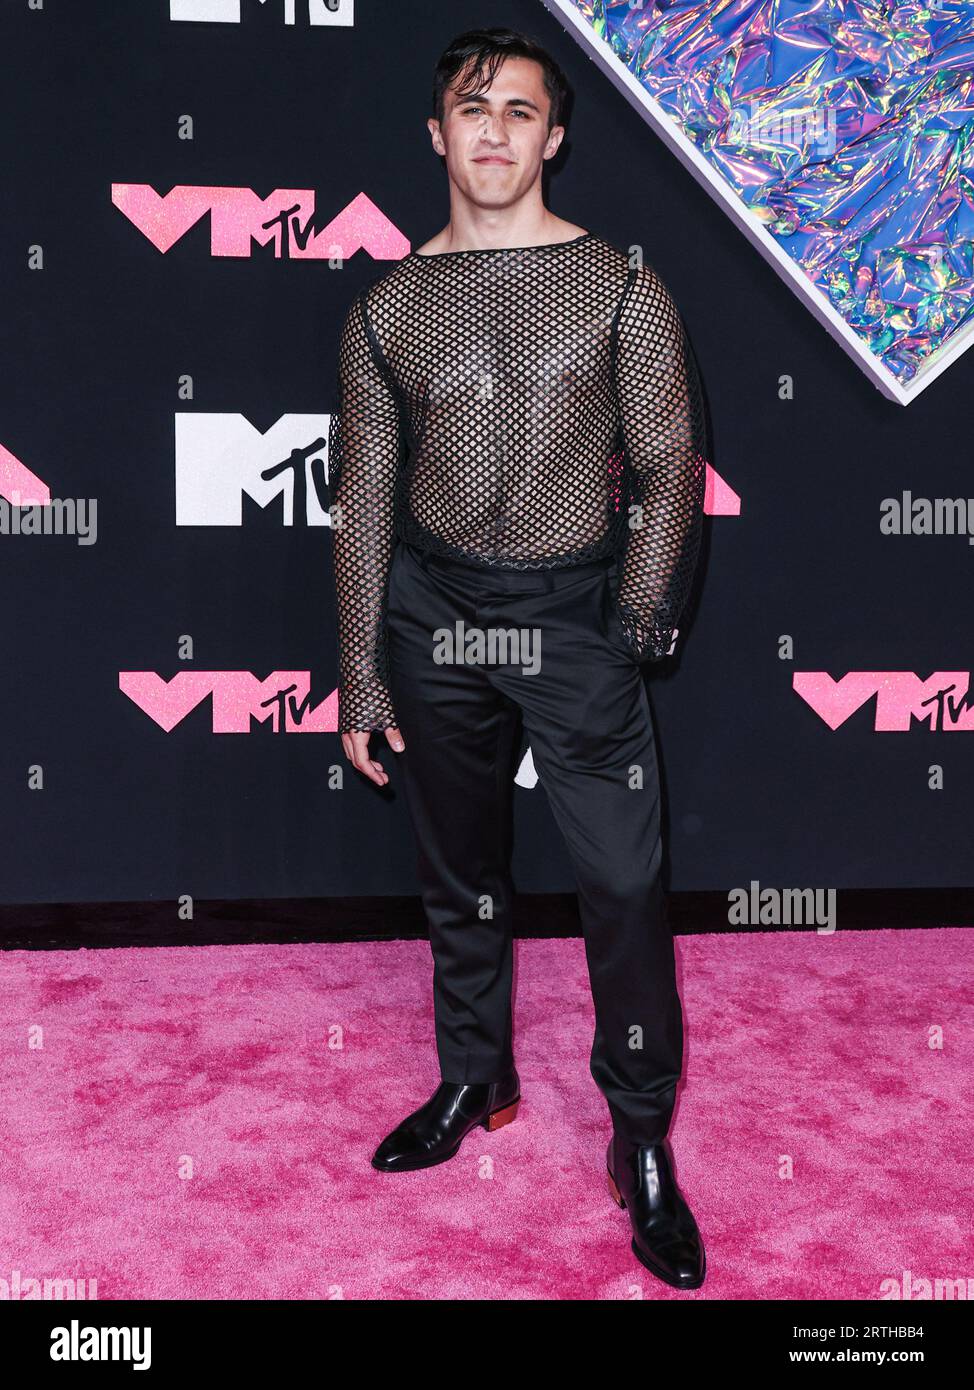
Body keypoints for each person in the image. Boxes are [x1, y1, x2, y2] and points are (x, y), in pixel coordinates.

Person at [329, 25, 709, 1290]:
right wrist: (363, 675)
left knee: (621, 886)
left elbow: (664, 473)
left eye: (518, 110)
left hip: (573, 620)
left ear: (553, 137)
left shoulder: (617, 288)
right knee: (460, 874)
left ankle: (640, 1139)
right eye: (469, 107)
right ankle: (473, 1077)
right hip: (434, 616)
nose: (492, 129)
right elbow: (365, 510)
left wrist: (632, 624)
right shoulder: (386, 307)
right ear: (435, 135)